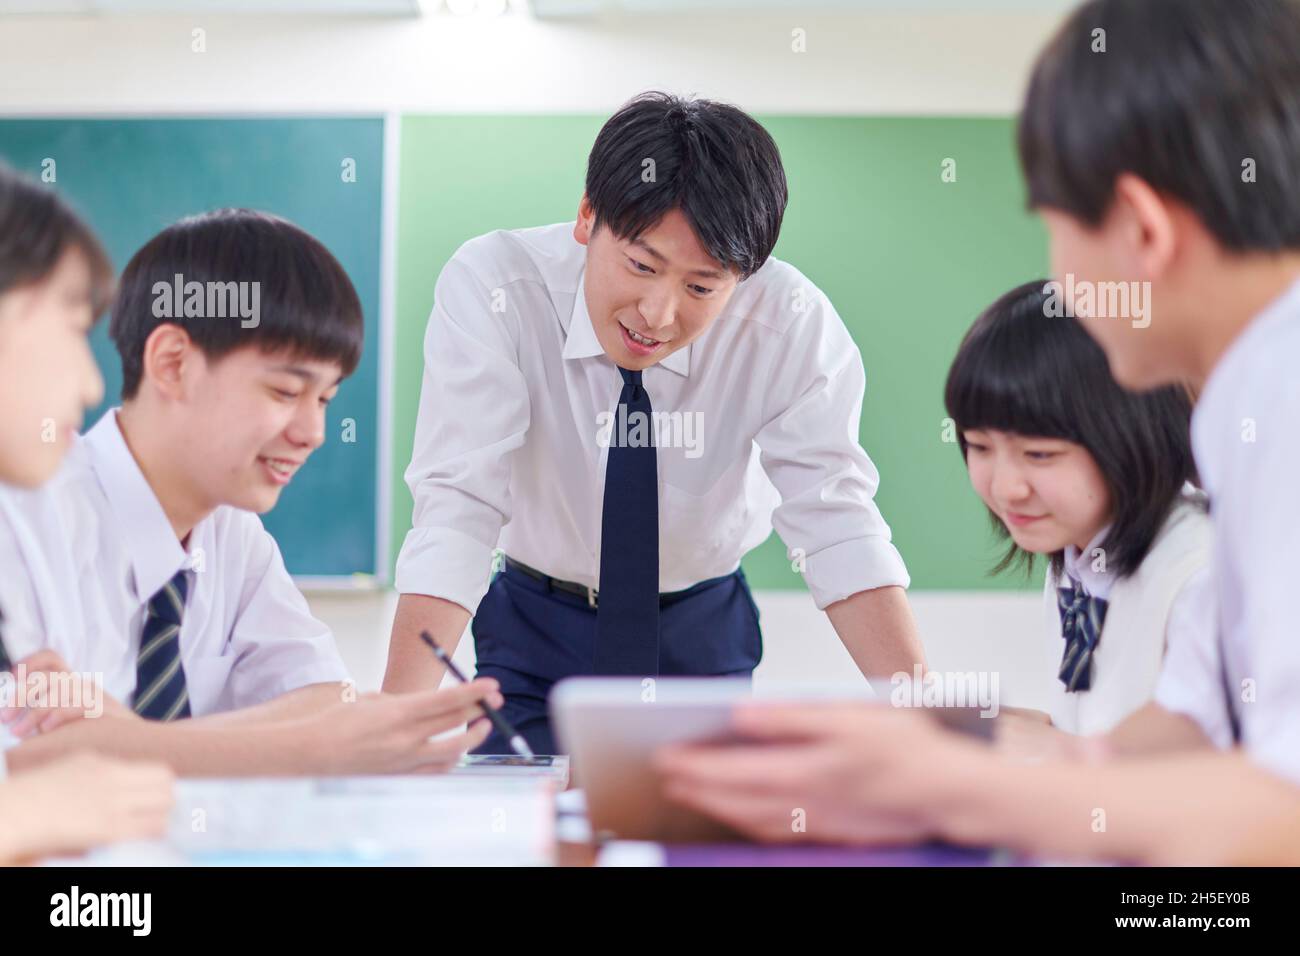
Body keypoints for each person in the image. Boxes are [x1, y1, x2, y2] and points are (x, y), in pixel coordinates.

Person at [385, 91, 923, 754]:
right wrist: (391, 728)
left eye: (702, 287)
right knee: (531, 824)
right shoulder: (495, 287)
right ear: (587, 216)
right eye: (641, 265)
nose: (658, 315)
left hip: (699, 622)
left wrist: (924, 717)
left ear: (745, 277)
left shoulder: (791, 325)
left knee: (695, 833)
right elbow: (458, 508)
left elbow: (836, 517)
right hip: (535, 620)